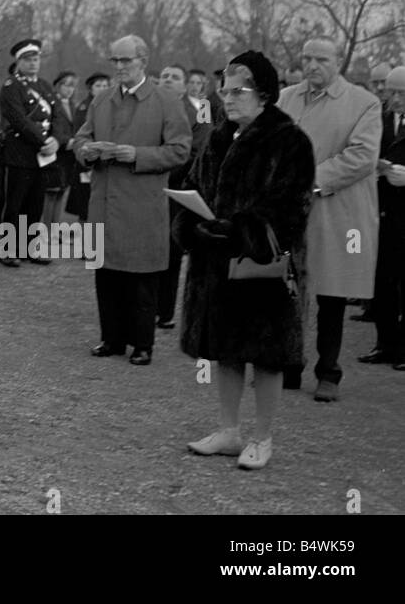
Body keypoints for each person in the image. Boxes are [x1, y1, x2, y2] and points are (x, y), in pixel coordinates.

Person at [177, 50, 315, 471]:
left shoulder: (289, 140)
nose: (228, 98)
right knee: (226, 350)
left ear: (265, 94)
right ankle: (229, 431)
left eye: (239, 90)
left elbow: (292, 209)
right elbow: (190, 187)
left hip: (261, 267)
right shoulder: (218, 137)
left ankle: (263, 436)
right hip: (214, 266)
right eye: (225, 90)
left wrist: (239, 232)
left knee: (266, 353)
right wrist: (191, 227)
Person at [275, 38, 382, 400]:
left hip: (336, 210)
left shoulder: (364, 103)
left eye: (321, 59)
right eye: (306, 58)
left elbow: (363, 156)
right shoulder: (286, 98)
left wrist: (310, 181)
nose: (312, 65)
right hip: (289, 211)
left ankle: (329, 372)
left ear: (339, 62)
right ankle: (288, 365)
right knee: (288, 291)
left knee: (331, 295)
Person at [76, 34, 191, 365]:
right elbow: (81, 136)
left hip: (142, 203)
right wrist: (86, 150)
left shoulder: (166, 101)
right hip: (105, 202)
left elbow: (180, 149)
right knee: (106, 274)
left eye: (126, 60)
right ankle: (111, 339)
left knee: (141, 278)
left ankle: (143, 344)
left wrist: (136, 154)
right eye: (115, 61)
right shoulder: (102, 99)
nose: (119, 67)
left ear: (144, 61)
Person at [157, 62, 212, 330]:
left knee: (171, 250)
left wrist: (157, 167)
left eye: (175, 77)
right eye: (164, 75)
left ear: (185, 85)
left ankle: (164, 311)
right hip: (145, 189)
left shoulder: (201, 111)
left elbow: (197, 149)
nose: (168, 79)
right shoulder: (149, 108)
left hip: (177, 189)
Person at [0, 39, 59, 267]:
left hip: (43, 155)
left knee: (36, 204)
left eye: (36, 59)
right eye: (28, 59)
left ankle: (30, 248)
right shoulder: (11, 87)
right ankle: (7, 249)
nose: (33, 64)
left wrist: (56, 140)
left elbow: (58, 116)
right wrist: (44, 141)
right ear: (18, 61)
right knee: (14, 203)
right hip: (20, 152)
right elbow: (19, 119)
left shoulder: (45, 86)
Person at [360, 66, 405, 368]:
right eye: (392, 92)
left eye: (402, 93)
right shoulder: (381, 120)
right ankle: (385, 343)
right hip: (382, 210)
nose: (396, 99)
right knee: (383, 281)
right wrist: (374, 166)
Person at [66, 73, 110, 223]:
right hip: (87, 162)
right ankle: (85, 242)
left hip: (105, 161)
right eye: (98, 86)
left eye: (105, 85)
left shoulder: (110, 105)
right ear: (90, 89)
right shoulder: (84, 108)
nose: (103, 89)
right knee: (85, 205)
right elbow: (80, 135)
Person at [42, 71, 79, 232]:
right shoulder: (51, 104)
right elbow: (52, 129)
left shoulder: (73, 105)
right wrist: (65, 141)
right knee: (51, 194)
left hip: (68, 157)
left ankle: (54, 231)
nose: (70, 89)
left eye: (72, 86)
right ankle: (46, 230)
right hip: (55, 154)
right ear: (58, 86)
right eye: (66, 85)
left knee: (61, 194)